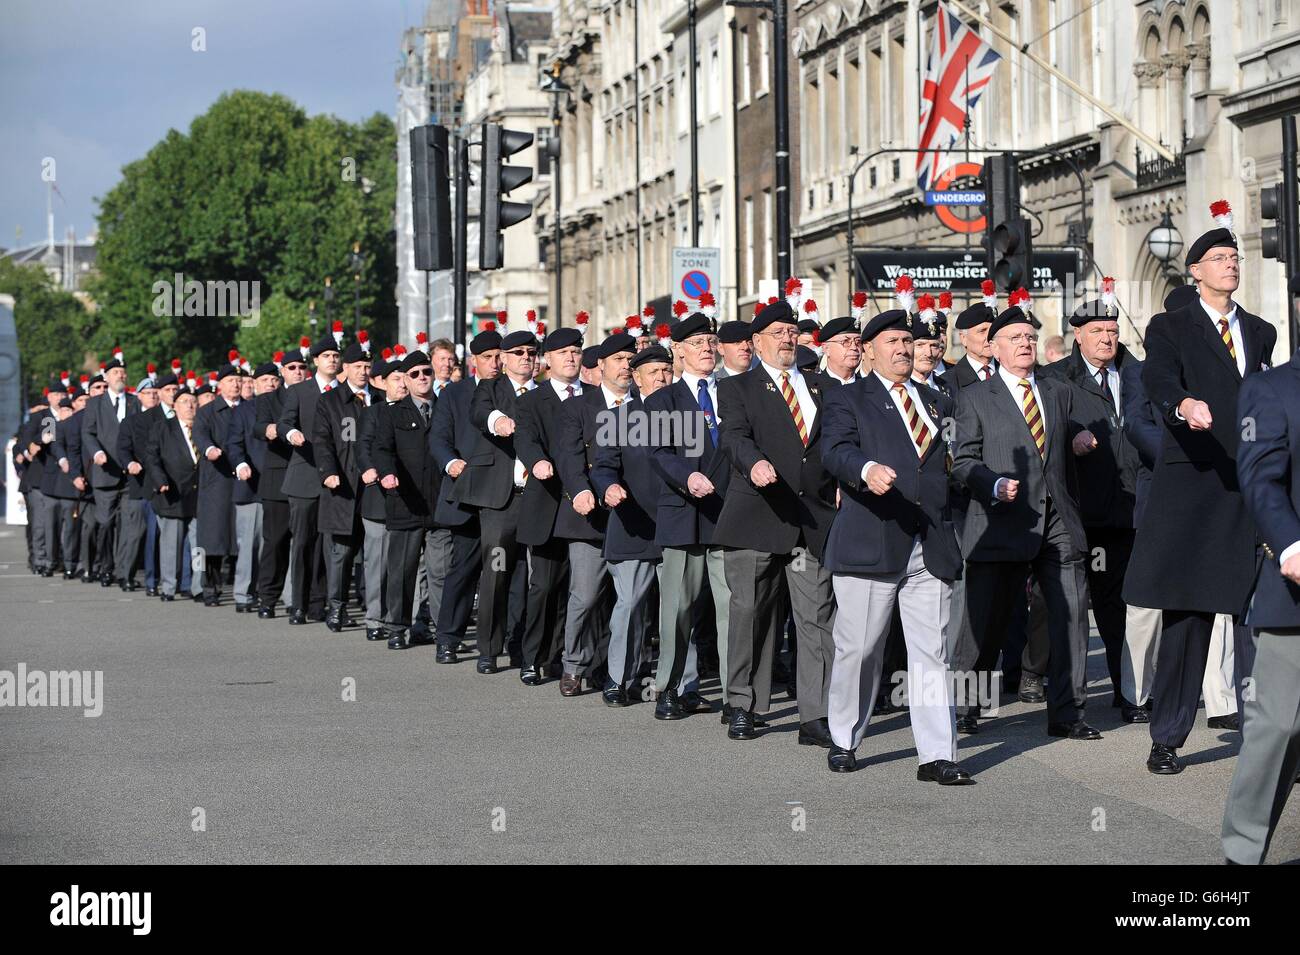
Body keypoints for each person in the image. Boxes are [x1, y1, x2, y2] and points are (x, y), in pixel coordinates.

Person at [1124, 203, 1277, 775]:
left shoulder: (1260, 331)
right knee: (1187, 621)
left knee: (1257, 621)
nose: (1231, 265)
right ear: (1195, 271)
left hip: (1248, 489)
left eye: (1235, 257)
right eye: (1219, 258)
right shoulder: (1171, 327)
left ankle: (1271, 735)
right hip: (1194, 488)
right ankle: (1167, 736)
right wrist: (1181, 405)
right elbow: (1158, 377)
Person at [820, 306, 969, 782]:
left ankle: (937, 755)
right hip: (872, 540)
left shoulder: (935, 399)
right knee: (860, 648)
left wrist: (987, 482)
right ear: (866, 350)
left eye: (908, 341)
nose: (904, 349)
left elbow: (952, 461)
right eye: (893, 342)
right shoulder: (849, 398)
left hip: (930, 543)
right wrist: (865, 470)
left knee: (931, 653)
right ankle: (844, 737)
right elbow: (835, 450)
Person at [950, 295, 1097, 739]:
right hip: (1001, 520)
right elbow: (962, 461)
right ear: (993, 348)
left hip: (1058, 522)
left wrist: (1080, 437)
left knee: (1071, 614)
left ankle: (1068, 713)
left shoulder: (1057, 391)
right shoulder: (974, 398)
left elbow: (1064, 440)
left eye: (1030, 337)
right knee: (986, 622)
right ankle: (963, 705)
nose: (1025, 344)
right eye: (1014, 338)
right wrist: (992, 484)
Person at [716, 300, 838, 745]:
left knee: (816, 617)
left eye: (792, 331)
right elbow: (733, 436)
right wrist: (754, 464)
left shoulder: (823, 387)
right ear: (757, 342)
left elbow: (834, 442)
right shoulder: (738, 388)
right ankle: (742, 703)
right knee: (750, 612)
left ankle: (816, 715)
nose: (788, 338)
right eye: (778, 332)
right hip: (758, 515)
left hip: (811, 519)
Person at [1223, 285, 1300, 862]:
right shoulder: (1272, 389)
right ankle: (1242, 856)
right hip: (1297, 588)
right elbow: (1261, 479)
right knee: (1278, 727)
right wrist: (1291, 542)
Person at [1038, 290, 1142, 720]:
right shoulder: (1056, 379)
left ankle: (1130, 693)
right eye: (1097, 330)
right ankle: (1044, 684)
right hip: (1084, 511)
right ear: (1077, 335)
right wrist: (1070, 436)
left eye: (1113, 330)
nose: (1107, 338)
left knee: (1128, 605)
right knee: (1081, 607)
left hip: (1134, 507)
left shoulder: (1137, 372)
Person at [647, 314, 734, 721]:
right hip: (685, 514)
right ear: (678, 351)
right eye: (697, 342)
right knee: (678, 607)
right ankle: (670, 687)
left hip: (732, 514)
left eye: (710, 341)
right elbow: (660, 454)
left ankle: (738, 695)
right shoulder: (664, 400)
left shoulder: (735, 391)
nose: (706, 348)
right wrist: (687, 476)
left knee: (733, 608)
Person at [514, 327, 600, 694]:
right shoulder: (532, 400)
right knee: (545, 585)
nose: (570, 357)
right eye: (562, 352)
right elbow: (525, 438)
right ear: (546, 360)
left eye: (576, 351)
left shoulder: (597, 396)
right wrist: (536, 462)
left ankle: (580, 661)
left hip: (587, 503)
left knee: (585, 590)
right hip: (547, 501)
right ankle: (534, 658)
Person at [555, 330, 636, 702]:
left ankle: (624, 668)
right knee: (586, 595)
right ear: (600, 365)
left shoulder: (646, 406)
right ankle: (573, 663)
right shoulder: (578, 407)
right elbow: (570, 458)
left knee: (632, 598)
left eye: (630, 360)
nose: (626, 366)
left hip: (635, 517)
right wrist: (582, 490)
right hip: (590, 516)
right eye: (619, 360)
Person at [592, 344, 675, 707]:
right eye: (652, 372)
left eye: (665, 371)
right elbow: (604, 466)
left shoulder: (688, 417)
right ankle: (617, 678)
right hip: (633, 525)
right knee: (629, 603)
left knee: (677, 608)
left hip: (678, 526)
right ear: (636, 379)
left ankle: (674, 684)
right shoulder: (619, 419)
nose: (660, 377)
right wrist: (608, 486)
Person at [463, 328, 537, 674]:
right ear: (503, 358)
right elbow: (480, 413)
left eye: (531, 352)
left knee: (531, 576)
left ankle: (523, 646)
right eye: (518, 352)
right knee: (496, 572)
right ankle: (489, 649)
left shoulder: (545, 393)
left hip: (538, 498)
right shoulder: (489, 388)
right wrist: (500, 420)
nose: (526, 357)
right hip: (500, 502)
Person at [429, 330, 501, 663]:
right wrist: (450, 461)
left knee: (502, 568)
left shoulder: (511, 393)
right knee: (465, 567)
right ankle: (448, 637)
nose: (495, 363)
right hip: (468, 494)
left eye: (500, 356)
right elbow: (439, 439)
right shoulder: (455, 394)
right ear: (474, 362)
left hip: (504, 496)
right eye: (487, 357)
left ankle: (503, 640)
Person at [374, 348, 441, 650]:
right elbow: (381, 449)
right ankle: (397, 626)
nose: (422, 378)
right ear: (406, 380)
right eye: (414, 374)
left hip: (441, 502)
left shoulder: (446, 408)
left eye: (426, 372)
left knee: (441, 571)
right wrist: (386, 473)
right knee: (402, 569)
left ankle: (436, 624)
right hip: (405, 500)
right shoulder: (393, 413)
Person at [278, 334, 342, 624]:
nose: (332, 360)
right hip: (304, 476)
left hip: (336, 479)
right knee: (303, 543)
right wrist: (291, 434)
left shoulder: (344, 392)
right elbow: (285, 422)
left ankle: (322, 604)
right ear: (315, 361)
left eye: (335, 355)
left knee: (328, 545)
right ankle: (299, 604)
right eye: (326, 356)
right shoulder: (300, 390)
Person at [313, 341, 374, 631]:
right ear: (345, 368)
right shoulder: (331, 401)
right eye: (357, 366)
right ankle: (336, 607)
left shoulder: (379, 397)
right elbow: (323, 443)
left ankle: (374, 607)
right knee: (341, 552)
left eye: (366, 366)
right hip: (344, 487)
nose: (363, 371)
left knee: (374, 551)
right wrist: (328, 472)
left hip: (376, 487)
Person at [253, 349, 308, 618]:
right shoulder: (269, 398)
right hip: (277, 478)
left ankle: (301, 599)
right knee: (275, 542)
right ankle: (268, 598)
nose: (297, 371)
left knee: (305, 543)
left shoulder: (314, 395)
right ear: (282, 372)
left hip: (307, 475)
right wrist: (270, 429)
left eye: (301, 367)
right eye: (292, 367)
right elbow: (258, 426)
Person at [82, 352, 141, 586]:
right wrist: (97, 452)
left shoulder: (134, 402)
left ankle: (124, 574)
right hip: (105, 473)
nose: (121, 376)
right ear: (107, 377)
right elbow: (88, 432)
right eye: (116, 372)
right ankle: (105, 567)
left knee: (129, 528)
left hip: (130, 476)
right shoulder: (95, 403)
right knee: (105, 524)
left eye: (123, 373)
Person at [354, 354, 401, 641]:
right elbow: (363, 447)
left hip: (414, 500)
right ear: (382, 384)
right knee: (378, 562)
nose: (402, 384)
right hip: (378, 499)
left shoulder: (419, 411)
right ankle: (375, 617)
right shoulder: (373, 413)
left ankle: (408, 617)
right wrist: (371, 469)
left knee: (412, 564)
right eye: (395, 379)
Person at [226, 362, 280, 612]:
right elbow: (234, 444)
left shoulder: (286, 405)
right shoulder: (244, 410)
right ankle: (244, 593)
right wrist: (240, 464)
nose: (270, 384)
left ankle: (280, 594)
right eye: (265, 380)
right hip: (253, 486)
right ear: (254, 384)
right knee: (250, 544)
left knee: (281, 543)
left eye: (274, 380)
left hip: (281, 485)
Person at [193, 364, 244, 606]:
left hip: (244, 481)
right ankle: (209, 587)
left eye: (238, 380)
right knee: (210, 539)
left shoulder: (248, 408)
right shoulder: (208, 411)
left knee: (241, 536)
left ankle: (243, 586)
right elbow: (200, 435)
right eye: (231, 380)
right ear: (220, 385)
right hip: (216, 481)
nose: (236, 384)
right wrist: (209, 449)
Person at [147, 389, 201, 602]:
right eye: (184, 402)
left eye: (193, 402)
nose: (189, 406)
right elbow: (152, 457)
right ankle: (169, 586)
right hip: (172, 495)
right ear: (175, 406)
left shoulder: (203, 428)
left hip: (199, 497)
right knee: (171, 545)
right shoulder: (163, 429)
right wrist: (160, 481)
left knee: (200, 547)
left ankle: (199, 586)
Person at [114, 374, 161, 592]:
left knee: (161, 534)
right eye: (148, 393)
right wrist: (129, 463)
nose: (152, 396)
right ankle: (126, 574)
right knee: (135, 533)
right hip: (139, 483)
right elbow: (122, 448)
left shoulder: (165, 419)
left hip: (162, 484)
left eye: (155, 393)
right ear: (139, 396)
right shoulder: (130, 421)